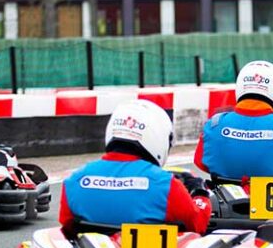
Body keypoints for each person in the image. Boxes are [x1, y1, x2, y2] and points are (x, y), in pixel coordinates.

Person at [59, 99, 211, 234]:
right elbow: (198, 224)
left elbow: (66, 227)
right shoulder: (166, 186)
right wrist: (200, 193)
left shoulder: (75, 181)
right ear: (157, 136)